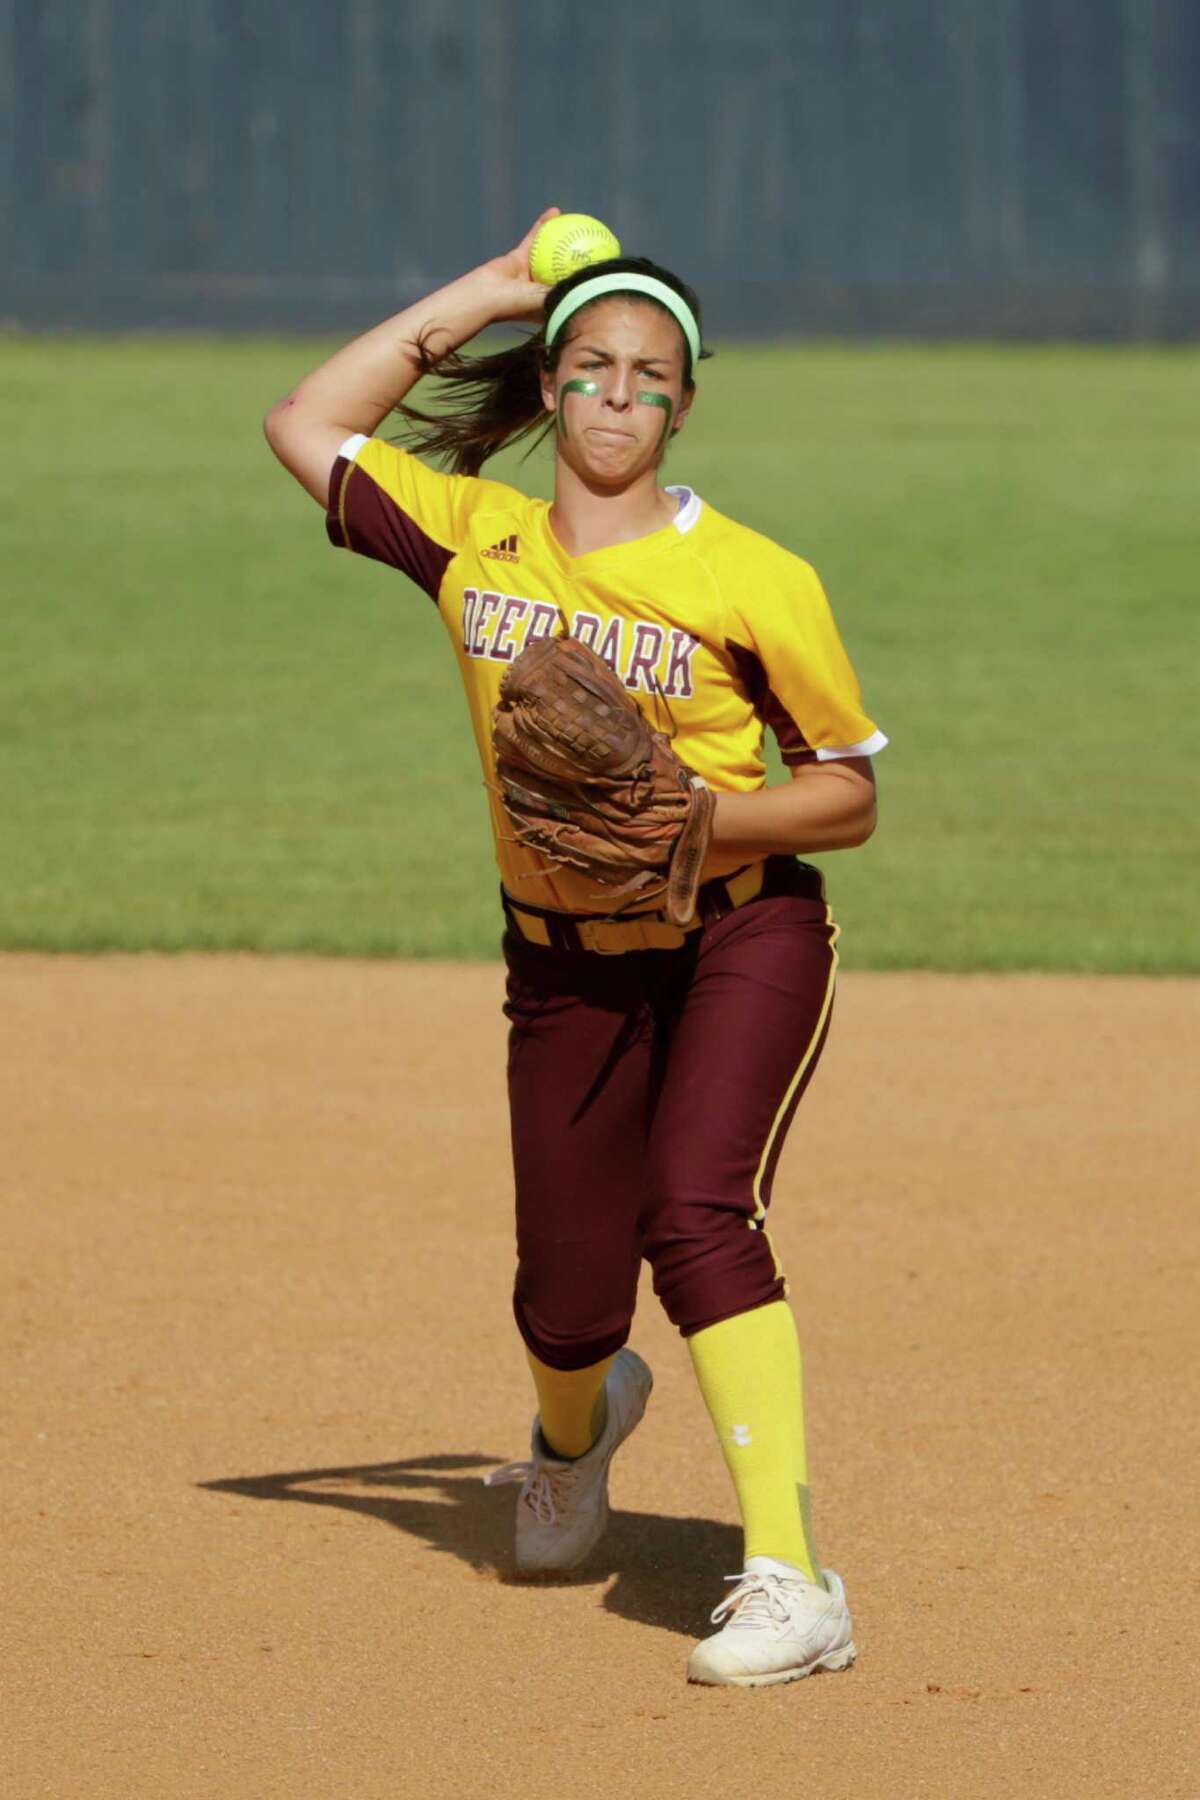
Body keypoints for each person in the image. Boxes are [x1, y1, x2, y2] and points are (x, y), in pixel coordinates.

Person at [264, 207, 886, 1688]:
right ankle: (575, 1434)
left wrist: (705, 823)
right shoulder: (470, 536)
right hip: (563, 960)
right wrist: (495, 287)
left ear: (685, 404)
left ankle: (794, 1578)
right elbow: (306, 423)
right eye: (591, 366)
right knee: (565, 1303)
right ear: (549, 386)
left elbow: (848, 794)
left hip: (740, 930)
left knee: (697, 1211)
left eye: (651, 375)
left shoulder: (753, 577)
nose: (618, 394)